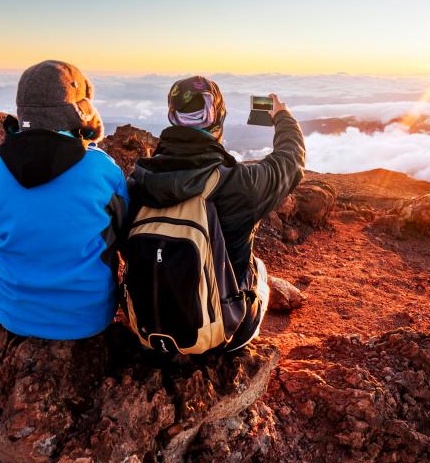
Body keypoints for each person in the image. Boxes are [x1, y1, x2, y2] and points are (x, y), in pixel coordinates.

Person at [128, 76, 304, 351]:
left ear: (172, 116)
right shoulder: (238, 183)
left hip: (147, 329)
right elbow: (290, 161)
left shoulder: (138, 181)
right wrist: (282, 116)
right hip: (223, 335)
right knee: (258, 268)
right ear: (218, 117)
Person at [0, 60, 128, 339]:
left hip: (14, 314)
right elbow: (121, 232)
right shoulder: (105, 171)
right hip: (89, 317)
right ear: (79, 111)